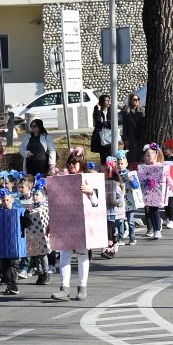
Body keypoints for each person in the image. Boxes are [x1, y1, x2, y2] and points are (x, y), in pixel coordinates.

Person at [51, 148, 100, 302]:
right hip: (65, 223)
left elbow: (96, 203)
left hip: (82, 223)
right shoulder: (62, 180)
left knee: (82, 255)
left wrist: (90, 192)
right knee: (64, 255)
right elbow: (55, 204)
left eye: (75, 163)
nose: (72, 165)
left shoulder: (88, 179)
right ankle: (64, 288)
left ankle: (82, 287)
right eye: (70, 163)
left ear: (81, 163)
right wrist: (52, 224)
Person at [121, 92, 145, 163]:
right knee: (131, 154)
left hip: (140, 135)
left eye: (138, 99)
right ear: (130, 100)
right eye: (134, 99)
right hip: (130, 136)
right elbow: (124, 126)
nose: (137, 101)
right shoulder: (126, 111)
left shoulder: (142, 110)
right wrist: (125, 139)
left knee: (140, 153)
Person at [90, 94, 113, 165]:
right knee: (102, 155)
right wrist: (99, 110)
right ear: (102, 101)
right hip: (101, 135)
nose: (108, 102)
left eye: (109, 100)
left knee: (110, 155)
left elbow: (111, 123)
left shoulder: (111, 110)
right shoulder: (97, 109)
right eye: (106, 101)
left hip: (109, 135)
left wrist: (104, 122)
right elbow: (97, 120)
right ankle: (103, 170)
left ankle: (110, 170)